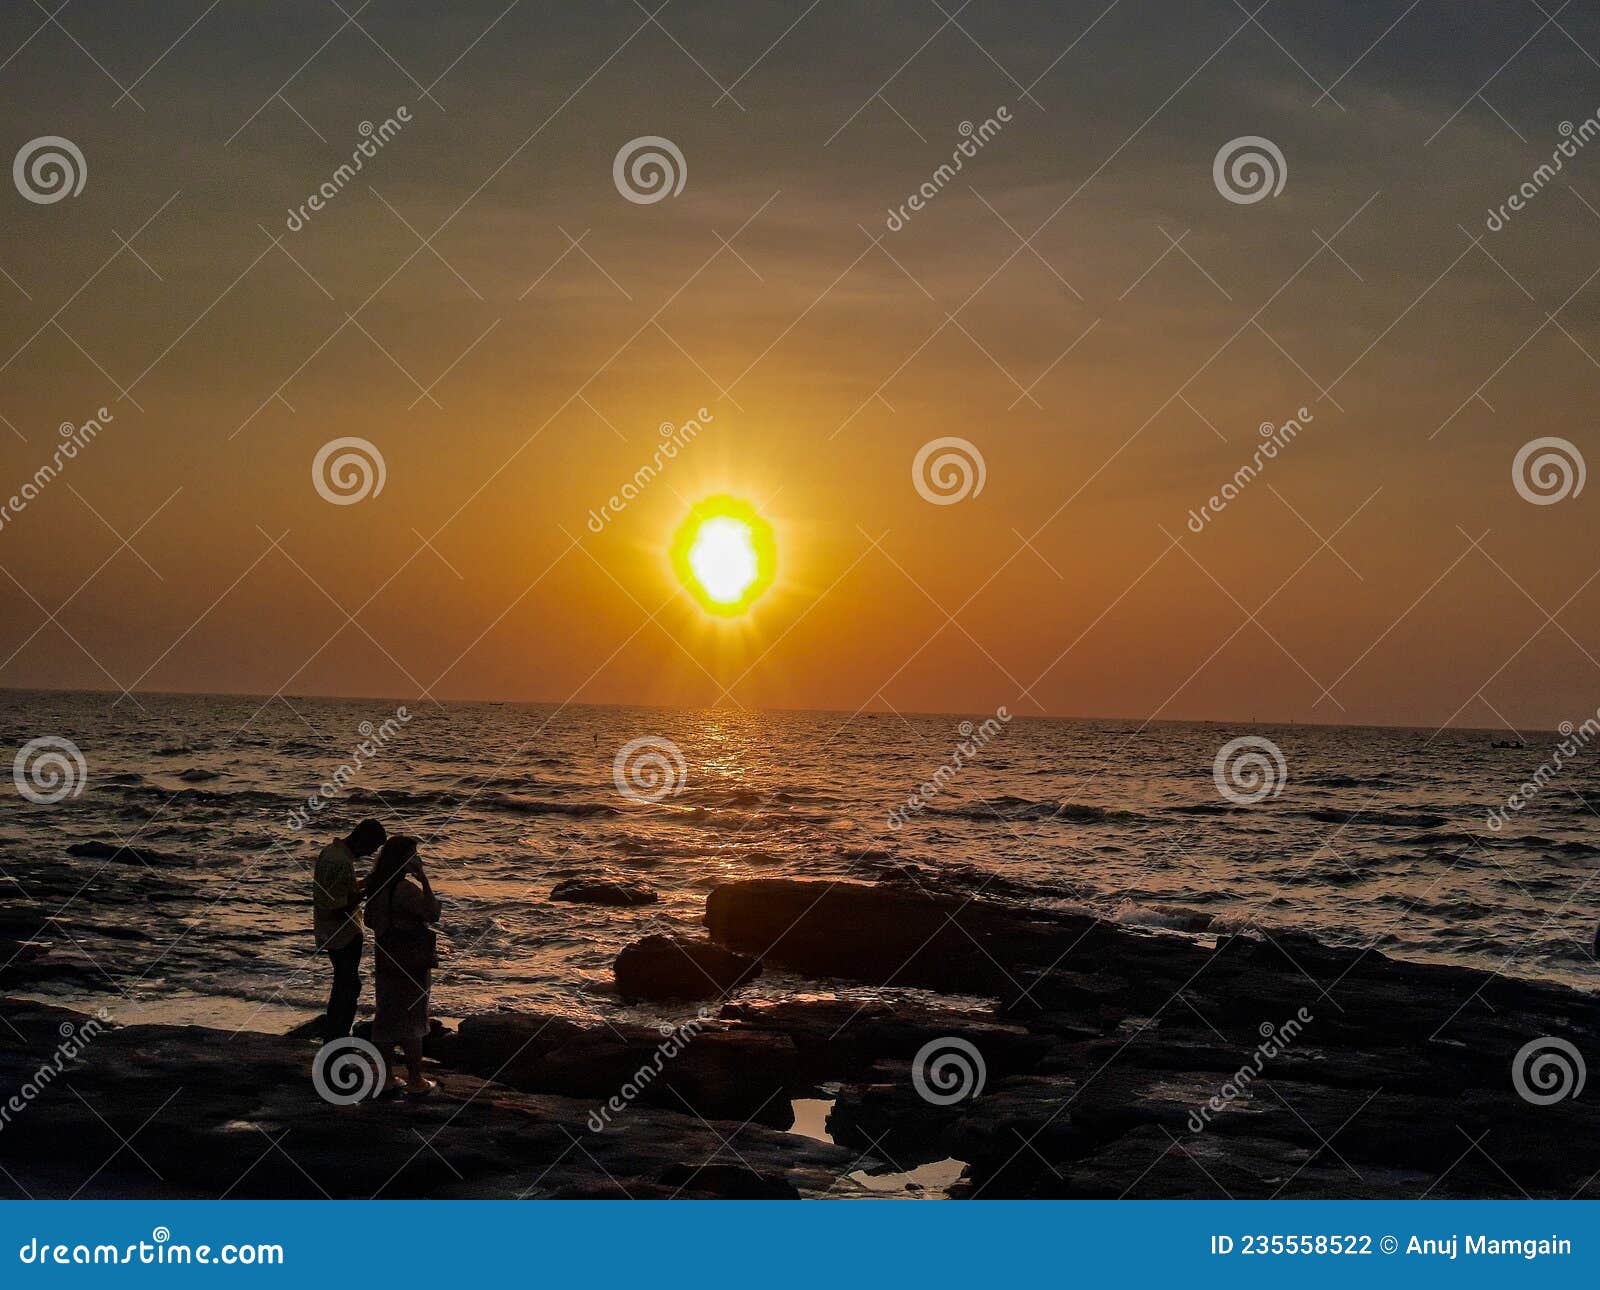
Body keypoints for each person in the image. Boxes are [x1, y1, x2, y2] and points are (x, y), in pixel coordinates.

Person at [364, 835, 442, 1095]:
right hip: (410, 961)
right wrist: (424, 879)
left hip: (386, 958)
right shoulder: (406, 889)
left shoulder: (378, 886)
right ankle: (416, 1080)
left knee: (386, 1017)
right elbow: (432, 913)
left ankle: (386, 1078)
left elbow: (369, 921)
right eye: (413, 855)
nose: (416, 859)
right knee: (413, 1019)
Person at [312, 819, 386, 1039]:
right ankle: (337, 1038)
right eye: (372, 848)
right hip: (341, 934)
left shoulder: (332, 853)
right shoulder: (340, 862)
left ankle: (335, 1038)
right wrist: (367, 890)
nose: (371, 853)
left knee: (347, 985)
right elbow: (338, 908)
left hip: (332, 931)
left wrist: (365, 883)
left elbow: (339, 892)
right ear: (363, 840)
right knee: (346, 989)